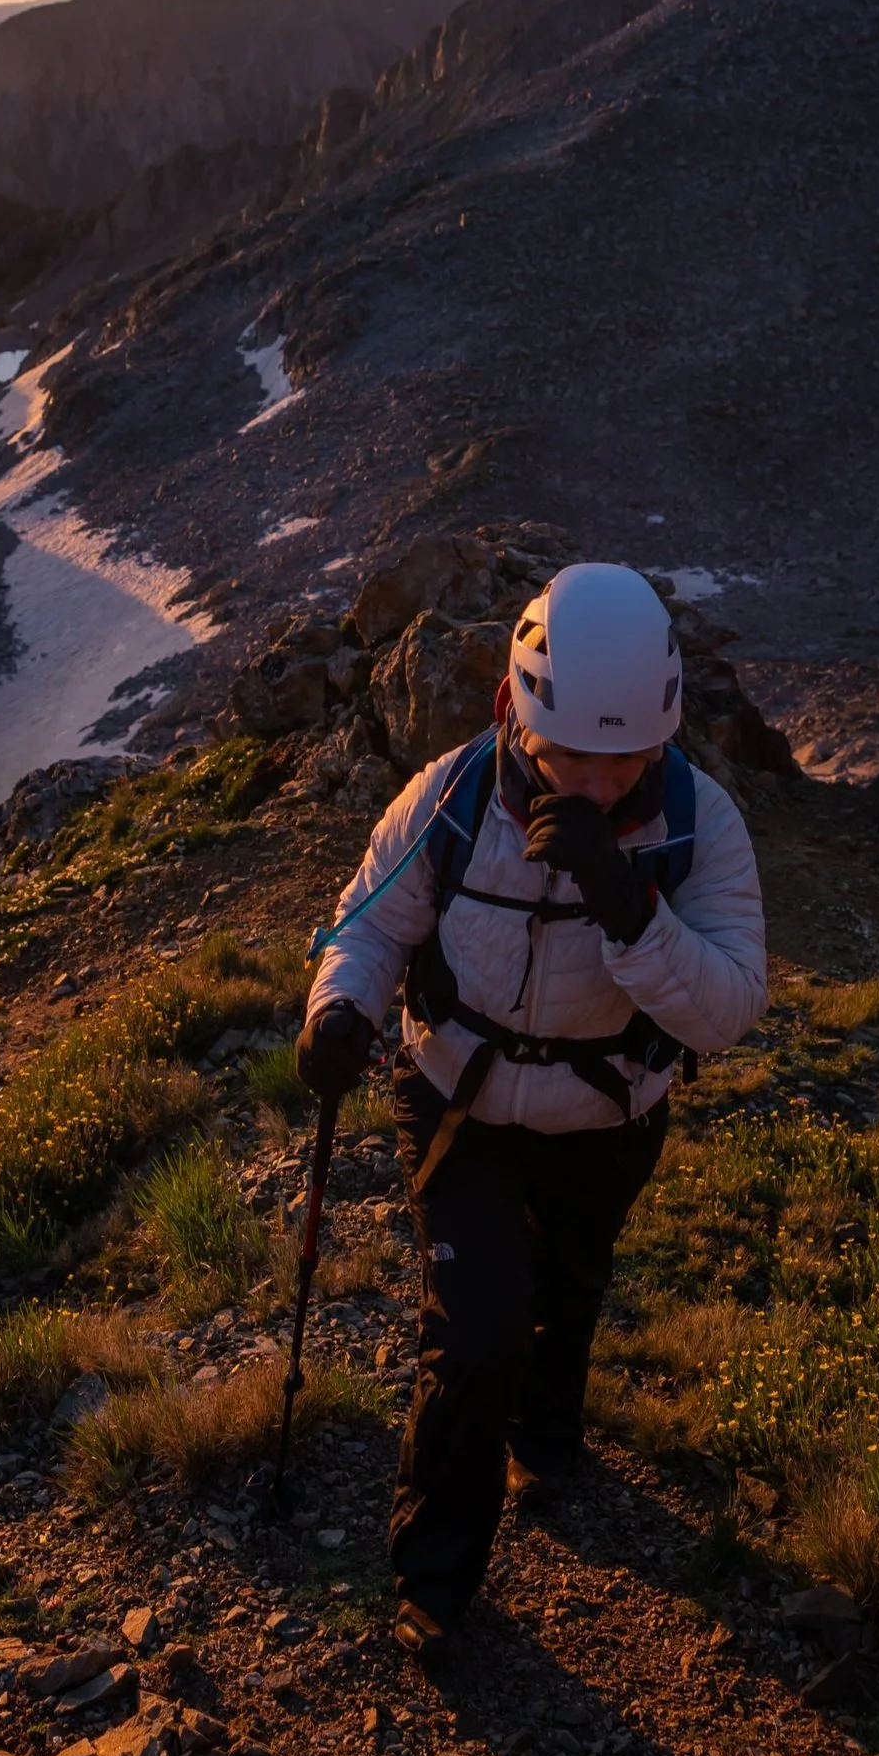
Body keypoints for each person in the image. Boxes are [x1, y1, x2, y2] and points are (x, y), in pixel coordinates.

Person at [296, 562, 768, 1662]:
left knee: (569, 1280)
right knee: (475, 1333)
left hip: (607, 1114)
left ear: (663, 733)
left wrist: (627, 906)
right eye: (571, 758)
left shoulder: (701, 827)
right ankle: (434, 1577)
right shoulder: (450, 797)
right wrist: (338, 1010)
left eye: (626, 759)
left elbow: (728, 1009)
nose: (597, 783)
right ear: (514, 709)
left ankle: (547, 1435)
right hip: (457, 1100)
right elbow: (368, 924)